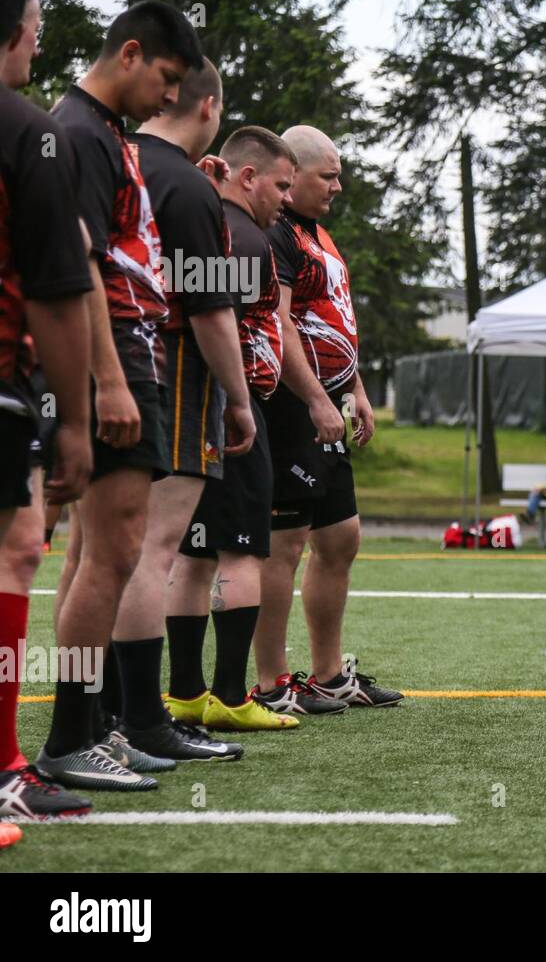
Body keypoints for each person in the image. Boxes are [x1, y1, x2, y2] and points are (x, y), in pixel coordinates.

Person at [37, 0, 202, 792]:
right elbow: (82, 264)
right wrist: (107, 376)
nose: (169, 98)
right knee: (114, 551)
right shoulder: (79, 132)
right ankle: (71, 735)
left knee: (96, 551)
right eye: (166, 79)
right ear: (130, 54)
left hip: (130, 352)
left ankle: (90, 725)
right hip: (119, 356)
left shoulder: (102, 133)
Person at [98, 57, 254, 764]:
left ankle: (97, 716)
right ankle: (139, 720)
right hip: (173, 376)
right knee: (147, 553)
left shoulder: (117, 157)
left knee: (100, 555)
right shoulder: (187, 185)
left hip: (108, 368)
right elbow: (213, 310)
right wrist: (241, 400)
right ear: (208, 106)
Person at [253, 125, 400, 712]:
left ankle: (328, 674)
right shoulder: (277, 234)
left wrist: (355, 388)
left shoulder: (321, 234)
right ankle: (271, 681)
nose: (338, 185)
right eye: (328, 175)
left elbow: (331, 318)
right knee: (283, 544)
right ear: (292, 178)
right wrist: (314, 397)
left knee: (340, 538)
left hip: (331, 397)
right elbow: (281, 322)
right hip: (292, 404)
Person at [0, 0, 95, 819]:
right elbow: (61, 291)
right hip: (1, 382)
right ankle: (0, 765)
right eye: (35, 19)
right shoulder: (29, 130)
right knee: (17, 543)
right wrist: (72, 418)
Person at [168, 126, 301, 730]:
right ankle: (230, 696)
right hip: (232, 412)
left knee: (192, 554)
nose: (285, 199)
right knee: (240, 553)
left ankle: (188, 692)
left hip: (194, 413)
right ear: (247, 177)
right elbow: (217, 320)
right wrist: (240, 399)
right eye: (280, 185)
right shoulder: (245, 236)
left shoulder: (208, 227)